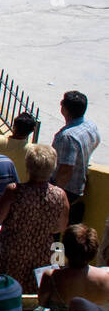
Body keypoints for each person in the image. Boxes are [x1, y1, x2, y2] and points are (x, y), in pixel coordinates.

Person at [0, 143, 69, 293]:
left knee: (7, 292)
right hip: (42, 253)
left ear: (28, 166)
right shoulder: (60, 196)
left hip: (12, 252)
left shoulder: (14, 191)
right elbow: (61, 226)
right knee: (35, 294)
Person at [51, 89, 100, 224]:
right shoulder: (90, 126)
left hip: (66, 190)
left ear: (65, 109)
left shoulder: (68, 137)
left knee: (54, 230)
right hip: (78, 187)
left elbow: (66, 169)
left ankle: (55, 247)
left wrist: (53, 194)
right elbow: (96, 141)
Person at [39, 225, 109, 311]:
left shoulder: (51, 277)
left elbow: (42, 304)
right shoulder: (106, 277)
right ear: (94, 250)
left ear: (64, 249)